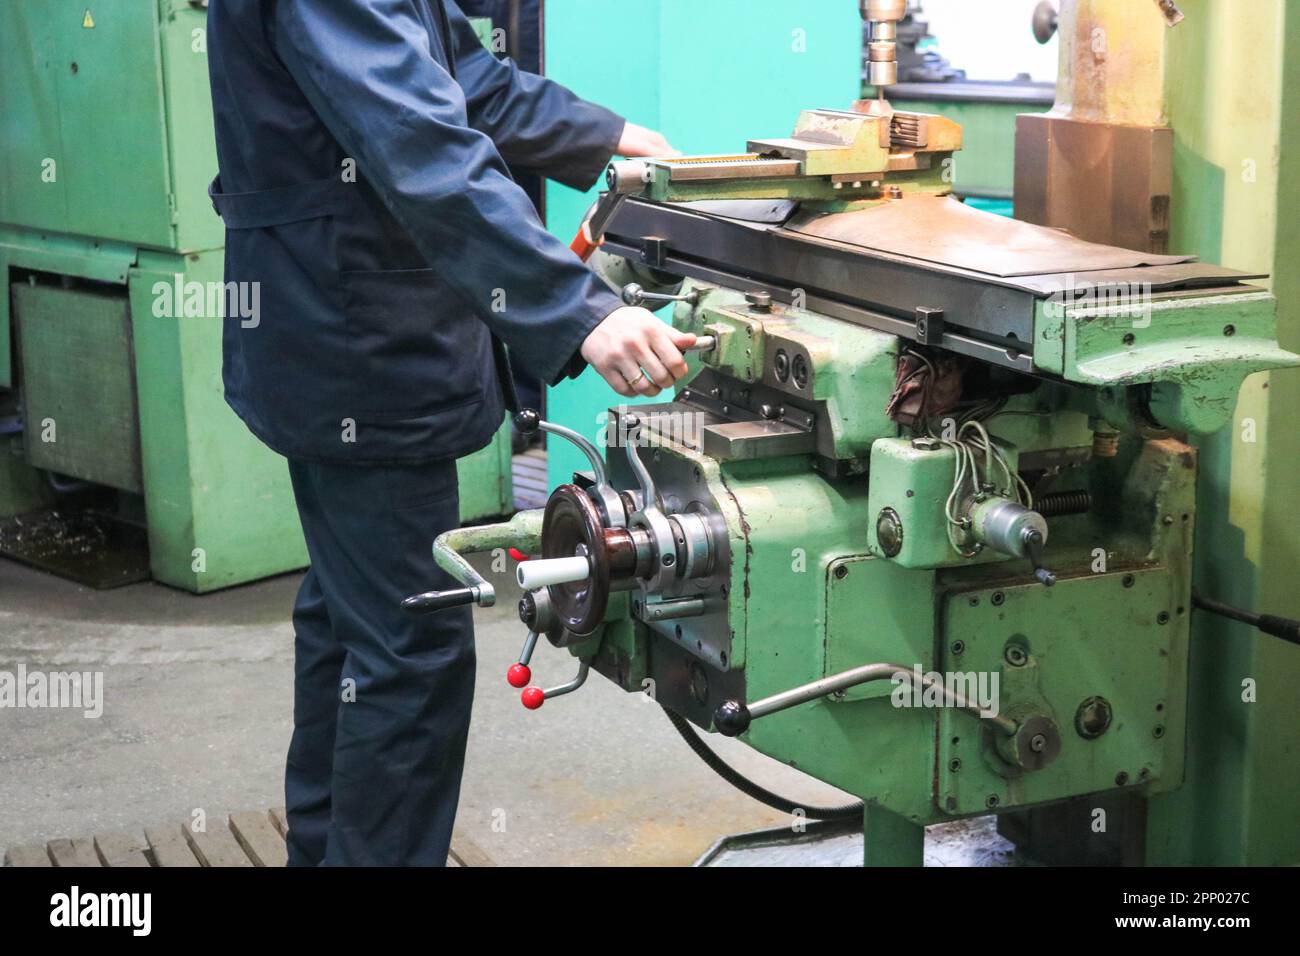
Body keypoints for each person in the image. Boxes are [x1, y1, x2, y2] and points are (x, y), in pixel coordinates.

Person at [206, 0, 693, 866]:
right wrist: (580, 309)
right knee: (407, 656)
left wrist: (613, 135)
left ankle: (323, 852)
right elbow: (418, 139)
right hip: (359, 338)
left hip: (341, 326)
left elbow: (467, 81)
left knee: (349, 626)